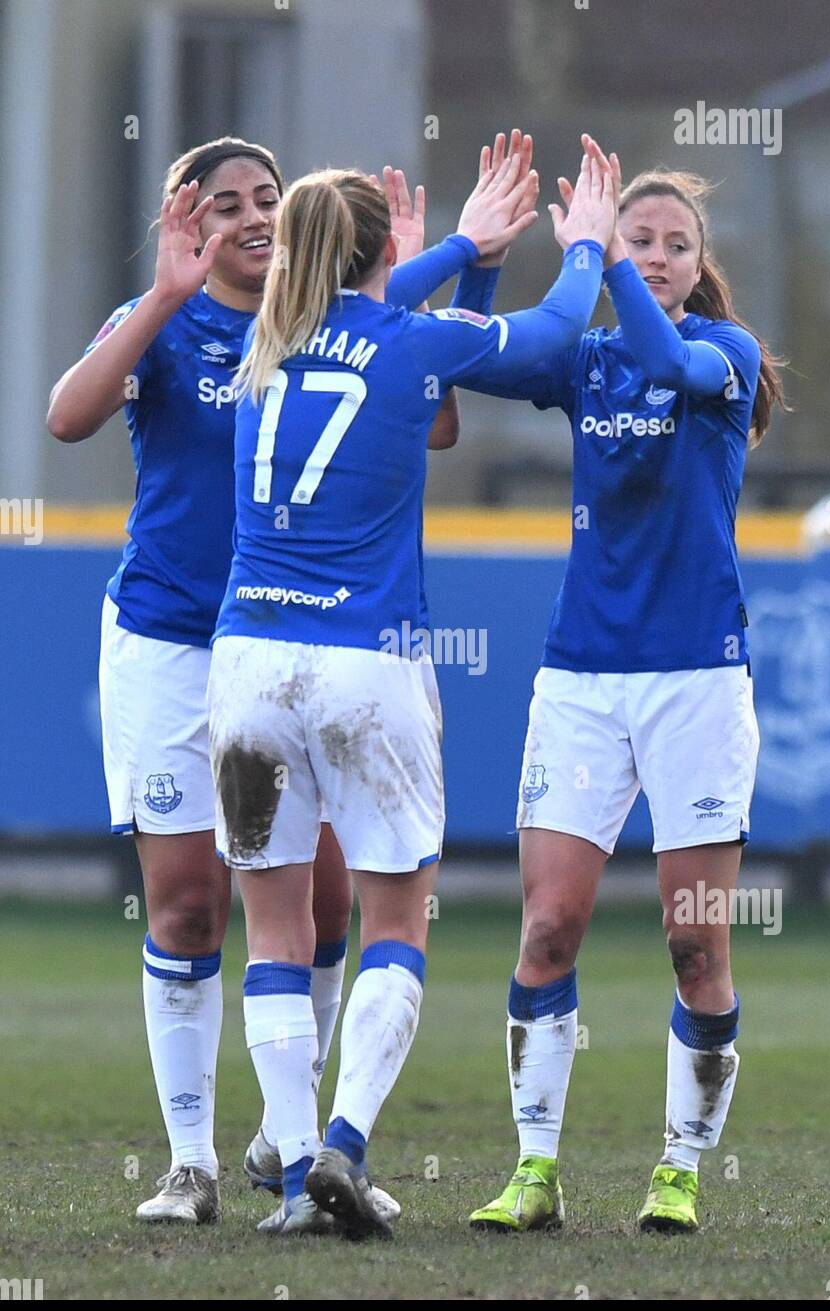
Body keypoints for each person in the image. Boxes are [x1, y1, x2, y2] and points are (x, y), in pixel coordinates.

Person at [45, 135, 471, 1225]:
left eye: (267, 199)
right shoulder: (167, 320)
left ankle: (294, 1141)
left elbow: (435, 425)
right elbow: (68, 413)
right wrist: (157, 297)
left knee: (322, 901)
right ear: (183, 221)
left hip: (287, 653)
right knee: (187, 903)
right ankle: (190, 1163)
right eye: (222, 201)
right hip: (171, 641)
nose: (249, 216)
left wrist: (402, 284)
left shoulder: (329, 323)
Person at [207, 144, 615, 1238]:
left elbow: (369, 309)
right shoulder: (410, 336)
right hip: (364, 666)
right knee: (394, 915)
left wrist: (459, 248)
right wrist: (581, 242)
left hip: (246, 664)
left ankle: (296, 1178)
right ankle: (344, 1143)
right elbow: (553, 331)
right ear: (385, 253)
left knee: (276, 934)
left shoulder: (264, 337)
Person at [468, 136, 788, 1235]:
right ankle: (534, 1170)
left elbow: (669, 369)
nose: (649, 255)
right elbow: (466, 357)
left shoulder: (722, 349)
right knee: (548, 926)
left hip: (696, 680)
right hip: (581, 683)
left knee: (694, 939)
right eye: (635, 237)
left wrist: (596, 259)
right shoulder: (582, 356)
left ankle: (680, 1168)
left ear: (700, 265)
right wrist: (478, 253)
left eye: (670, 244)